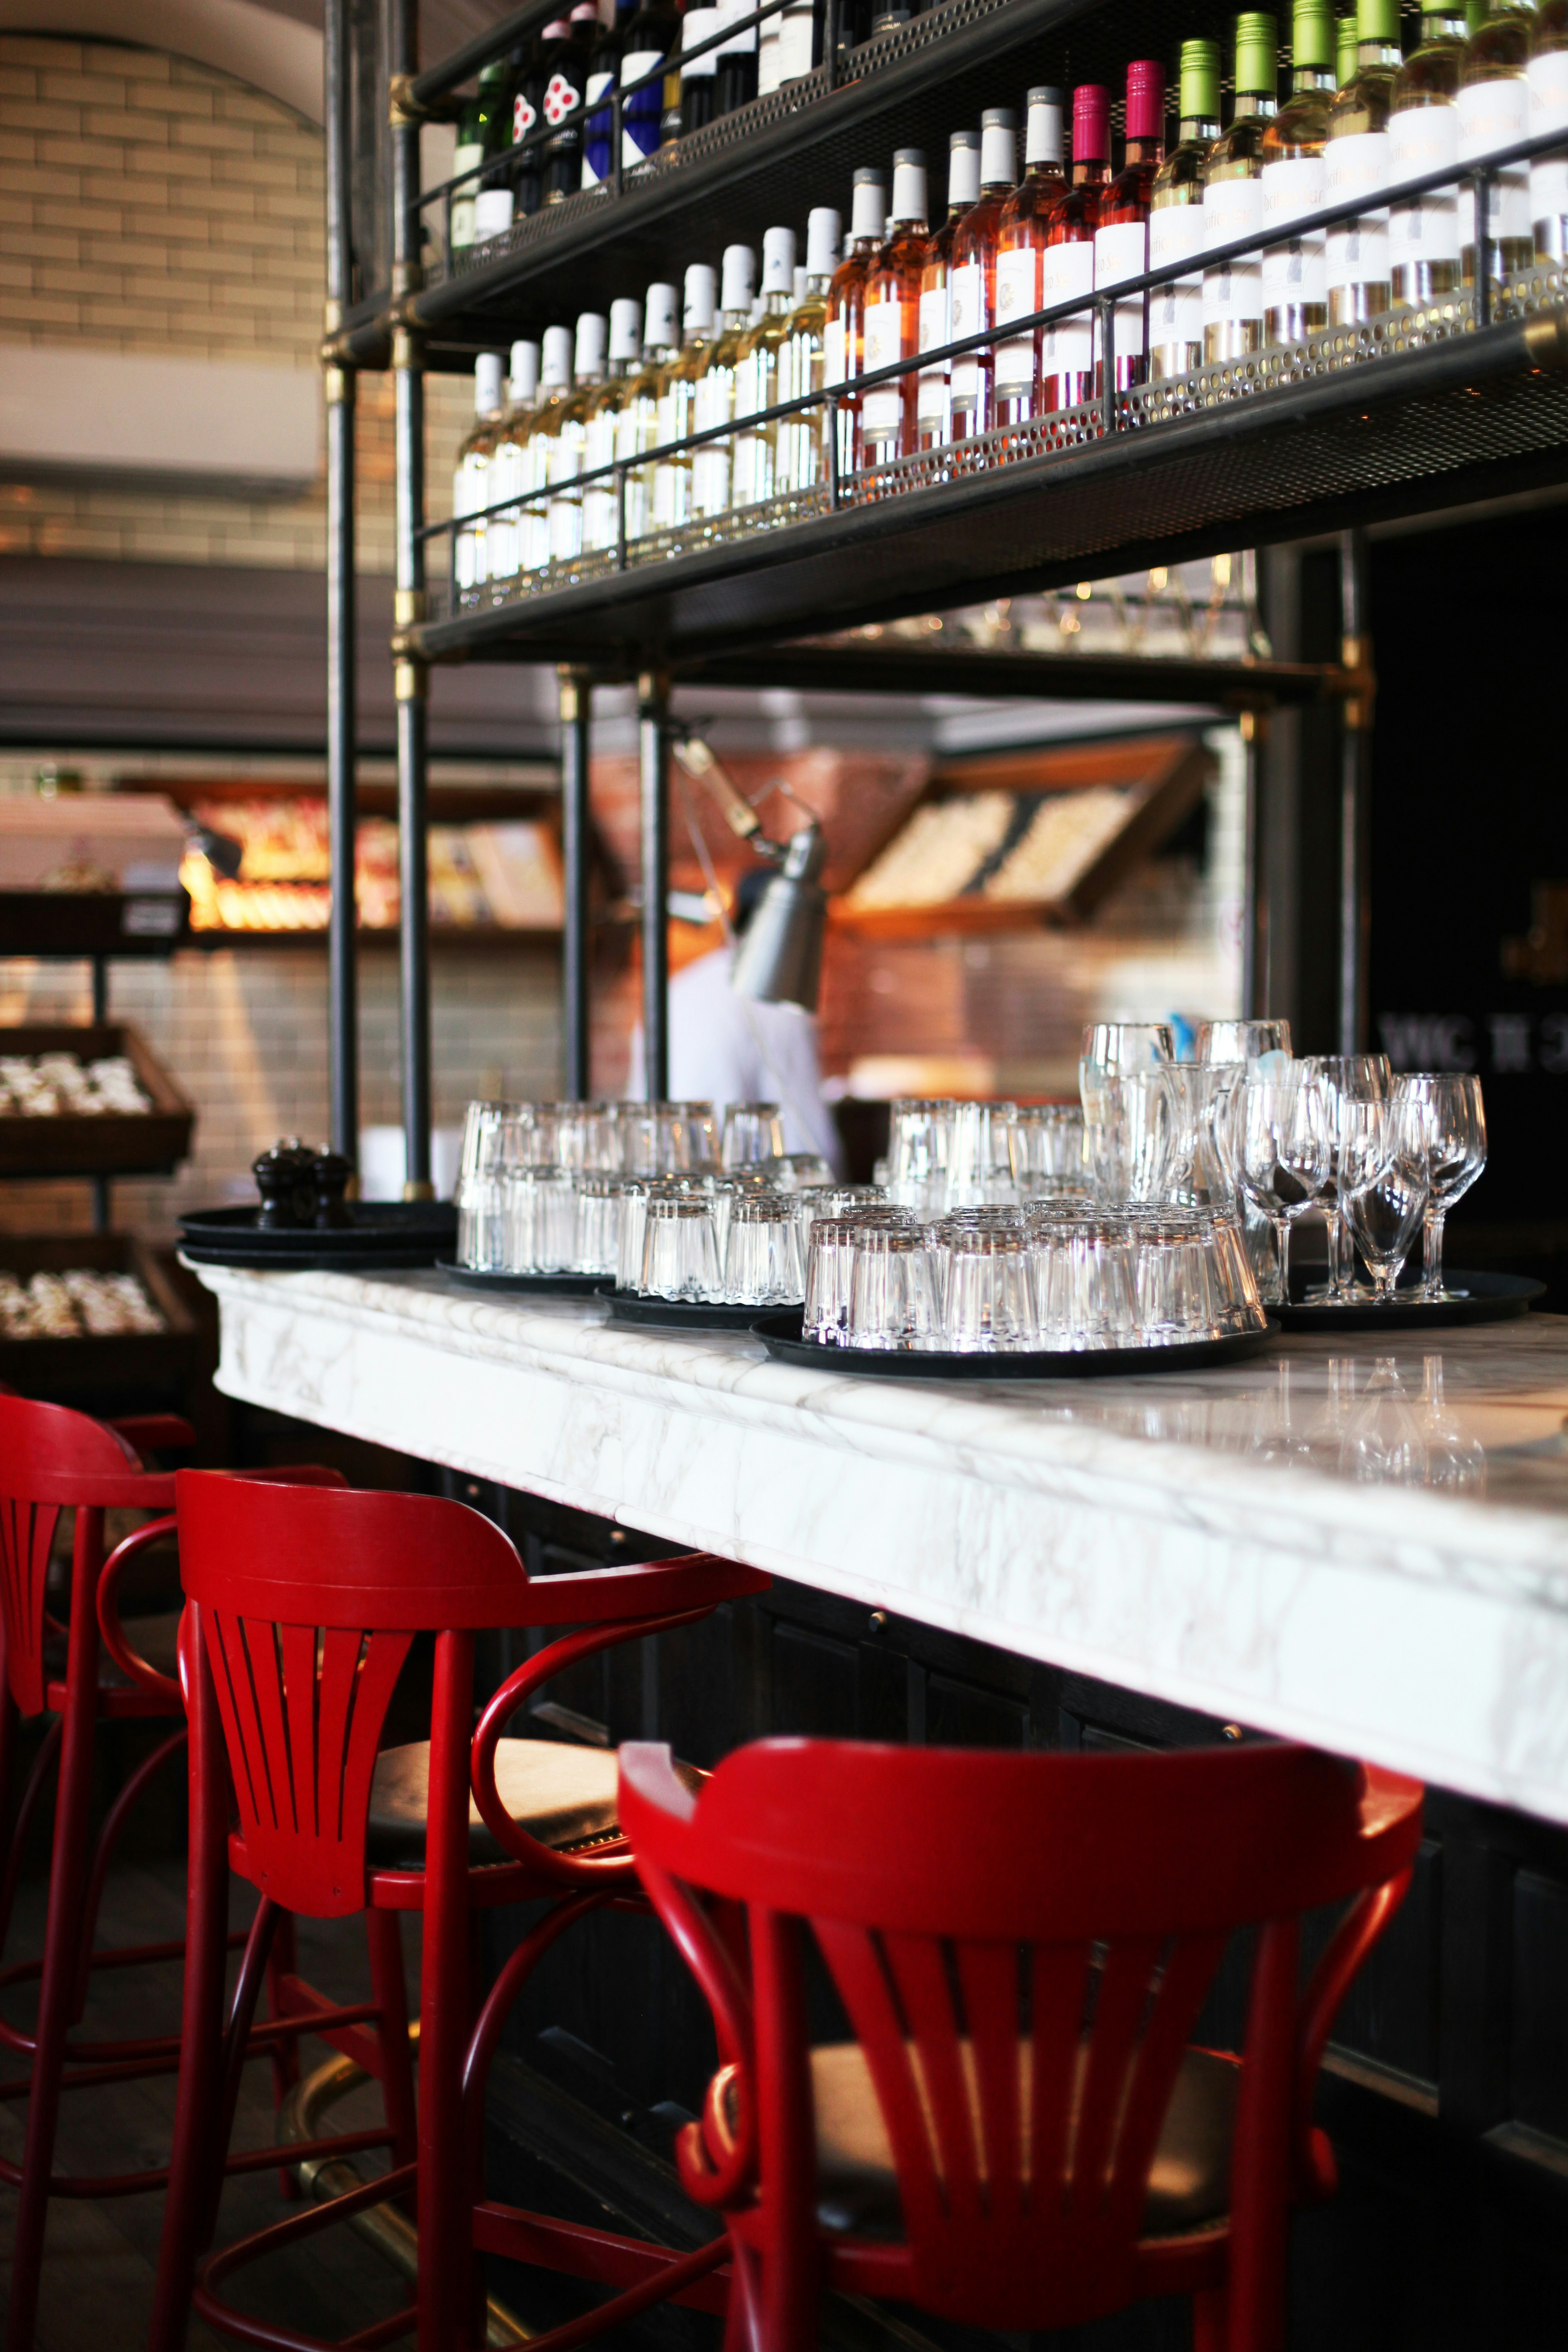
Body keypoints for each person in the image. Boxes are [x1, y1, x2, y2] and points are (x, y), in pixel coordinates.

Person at [625, 867, 846, 1172]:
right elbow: (807, 1135)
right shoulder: (777, 998)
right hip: (735, 1195)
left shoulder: (680, 988)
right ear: (796, 926)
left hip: (654, 1181)